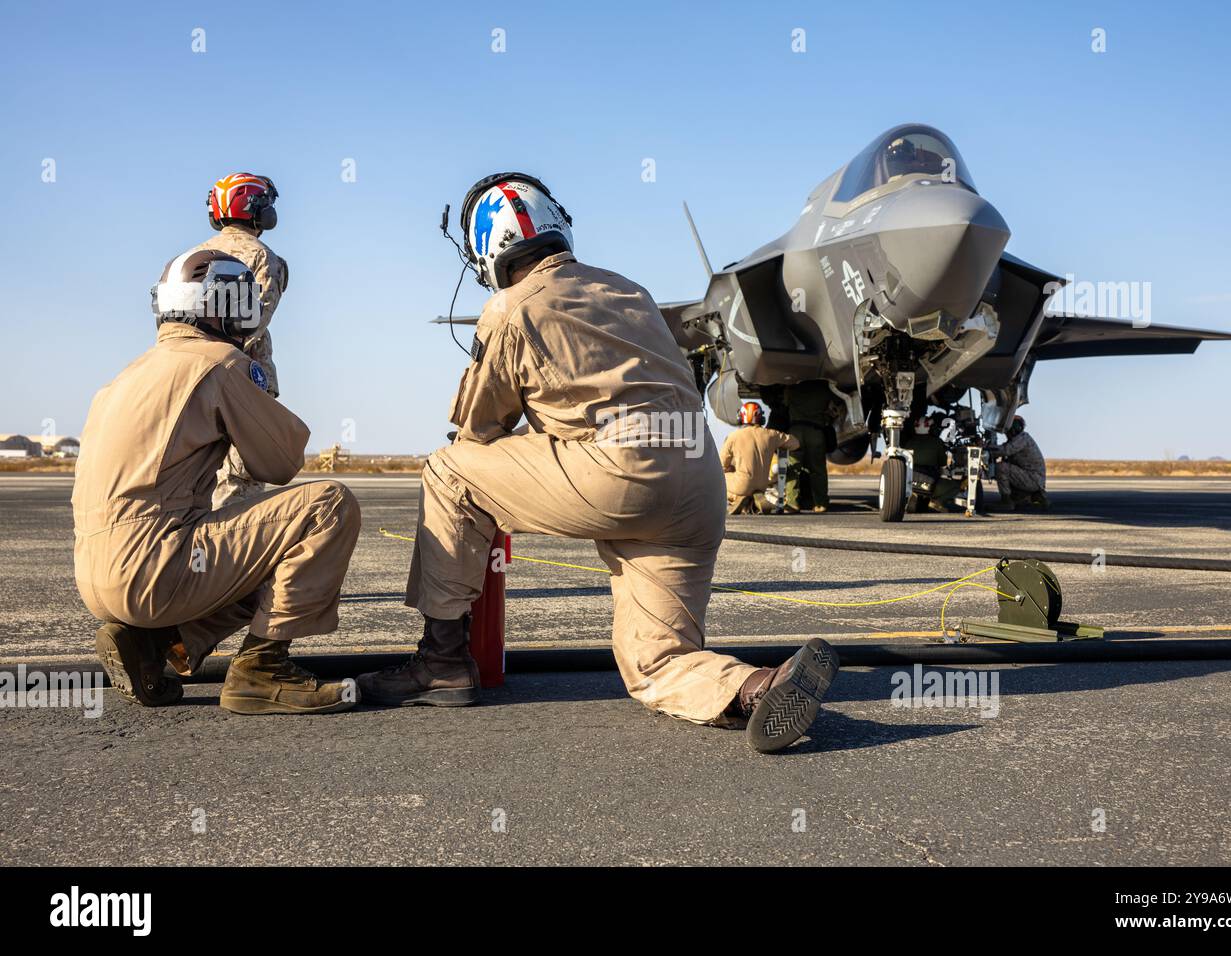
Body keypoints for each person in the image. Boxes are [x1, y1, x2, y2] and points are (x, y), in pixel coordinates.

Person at [356, 173, 839, 753]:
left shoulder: (509, 306)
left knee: (449, 470)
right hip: (696, 478)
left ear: (488, 248)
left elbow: (478, 428)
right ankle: (760, 688)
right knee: (656, 663)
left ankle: (440, 662)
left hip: (624, 470)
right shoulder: (628, 290)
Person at [74, 247, 360, 715]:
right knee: (329, 505)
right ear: (225, 304)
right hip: (155, 572)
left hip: (97, 577)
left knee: (257, 545)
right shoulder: (219, 363)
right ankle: (263, 672)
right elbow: (280, 463)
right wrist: (254, 388)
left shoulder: (124, 376)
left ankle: (168, 644)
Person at [198, 172, 290, 509]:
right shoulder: (265, 259)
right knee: (239, 487)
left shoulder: (192, 256)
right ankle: (232, 558)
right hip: (243, 382)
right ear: (257, 210)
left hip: (191, 383)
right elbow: (252, 325)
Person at [720, 402, 800, 514]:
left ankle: (736, 498)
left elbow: (721, 465)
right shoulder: (771, 434)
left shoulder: (733, 437)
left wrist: (730, 469)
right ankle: (753, 500)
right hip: (762, 485)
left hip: (742, 485)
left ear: (740, 417)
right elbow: (795, 443)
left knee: (718, 477)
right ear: (760, 418)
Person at [783, 380, 843, 513]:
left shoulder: (793, 386)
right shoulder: (824, 387)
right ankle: (820, 504)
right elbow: (835, 407)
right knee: (818, 471)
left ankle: (792, 504)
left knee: (793, 468)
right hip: (816, 432)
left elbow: (784, 403)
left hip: (796, 432)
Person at [991, 415, 1049, 510]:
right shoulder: (1021, 438)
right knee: (1005, 464)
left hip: (1032, 479)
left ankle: (1006, 501)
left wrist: (985, 449)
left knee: (1001, 468)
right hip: (1034, 479)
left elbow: (1005, 450)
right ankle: (1032, 496)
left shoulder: (1022, 439)